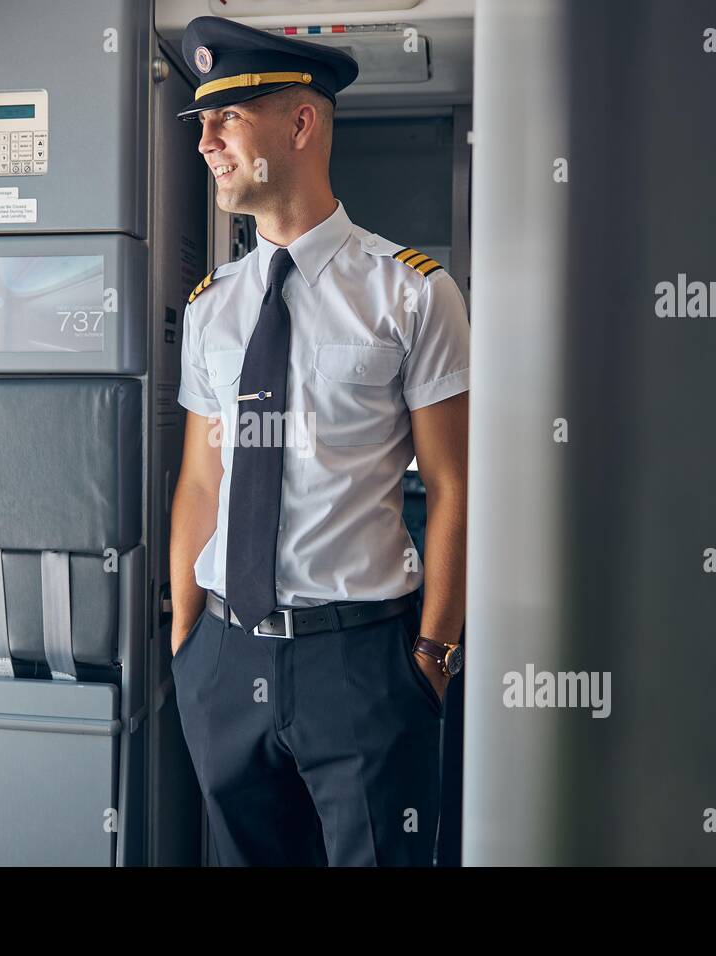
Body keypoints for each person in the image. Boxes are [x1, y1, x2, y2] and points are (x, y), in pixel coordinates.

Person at [168, 15, 469, 866]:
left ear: (299, 125)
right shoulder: (209, 305)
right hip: (224, 661)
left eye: (227, 118)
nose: (207, 143)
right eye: (201, 123)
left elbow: (455, 487)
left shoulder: (411, 294)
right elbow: (202, 477)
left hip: (364, 664)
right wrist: (190, 643)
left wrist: (432, 659)